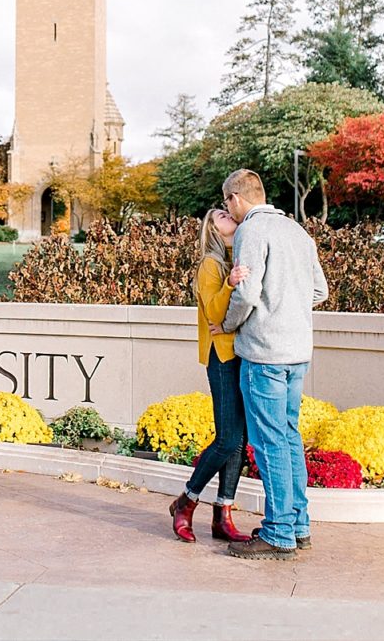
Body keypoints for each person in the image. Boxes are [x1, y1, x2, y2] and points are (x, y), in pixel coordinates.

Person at [218, 168, 328, 560]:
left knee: (268, 444)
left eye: (227, 203)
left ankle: (279, 532)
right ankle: (298, 526)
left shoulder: (252, 229)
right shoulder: (298, 232)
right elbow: (320, 290)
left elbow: (245, 294)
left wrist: (226, 324)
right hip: (298, 352)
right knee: (289, 437)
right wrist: (287, 306)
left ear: (235, 198)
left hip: (265, 353)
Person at [168, 208, 251, 543]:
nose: (228, 214)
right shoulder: (211, 265)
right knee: (227, 439)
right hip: (221, 358)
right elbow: (215, 312)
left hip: (240, 355)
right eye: (220, 214)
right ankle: (185, 501)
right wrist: (230, 284)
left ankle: (223, 515)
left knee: (240, 441)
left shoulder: (235, 259)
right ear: (212, 229)